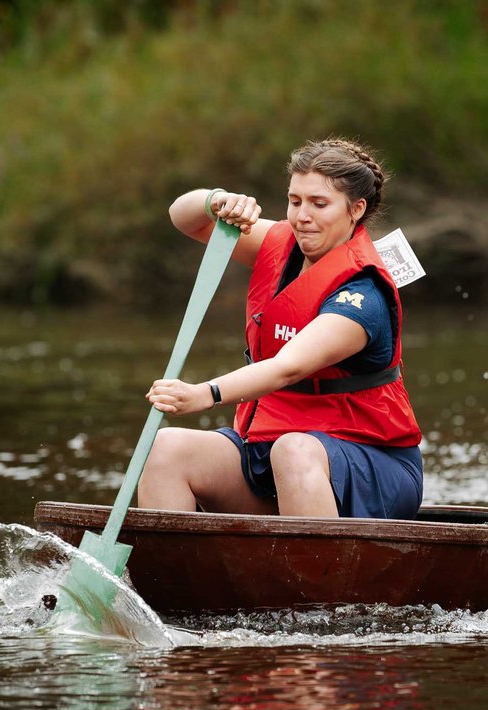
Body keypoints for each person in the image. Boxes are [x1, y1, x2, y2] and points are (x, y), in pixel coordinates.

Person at [137, 138, 424, 519]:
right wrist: (216, 201)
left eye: (319, 204)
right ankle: (172, 574)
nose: (302, 216)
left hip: (369, 463)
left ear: (356, 209)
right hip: (267, 447)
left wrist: (206, 393)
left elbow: (289, 367)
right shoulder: (281, 244)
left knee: (293, 450)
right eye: (295, 201)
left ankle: (316, 576)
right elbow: (185, 218)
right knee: (167, 447)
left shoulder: (363, 294)